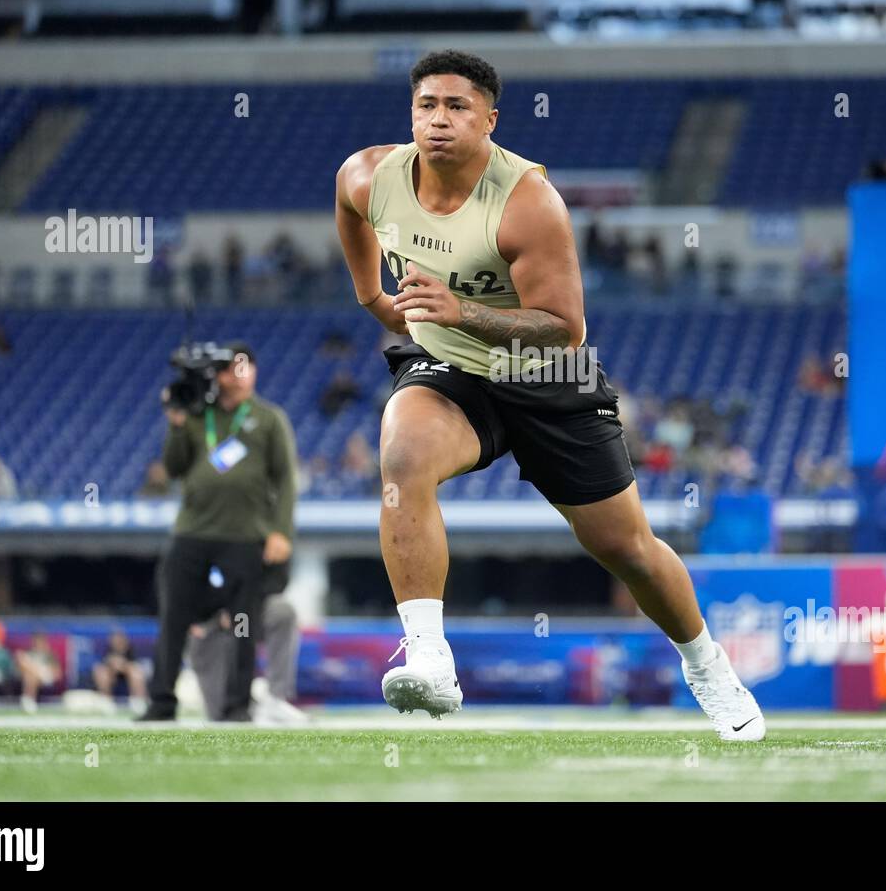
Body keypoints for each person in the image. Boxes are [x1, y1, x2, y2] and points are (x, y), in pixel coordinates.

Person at [333, 49, 764, 741]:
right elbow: (349, 211)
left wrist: (461, 310)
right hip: (449, 369)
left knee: (626, 549)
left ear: (490, 120)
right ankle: (429, 656)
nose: (438, 120)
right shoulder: (371, 175)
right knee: (403, 454)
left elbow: (563, 330)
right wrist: (371, 296)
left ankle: (707, 665)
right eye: (426, 106)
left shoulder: (529, 202)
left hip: (545, 375)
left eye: (457, 108)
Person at [140, 341, 298, 722]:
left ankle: (237, 706)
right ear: (217, 375)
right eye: (230, 368)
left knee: (242, 622)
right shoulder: (197, 415)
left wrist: (280, 531)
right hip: (193, 532)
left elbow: (286, 479)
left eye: (245, 367)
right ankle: (161, 702)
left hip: (245, 536)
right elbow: (174, 467)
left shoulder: (268, 418)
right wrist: (177, 424)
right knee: (173, 616)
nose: (238, 375)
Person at [185, 564, 304, 724]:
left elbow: (276, 579)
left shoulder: (254, 546)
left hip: (244, 615)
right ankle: (247, 704)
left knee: (277, 614)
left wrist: (240, 605)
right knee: (221, 713)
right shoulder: (198, 549)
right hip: (211, 622)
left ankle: (275, 698)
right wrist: (216, 611)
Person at [92, 629, 147, 712]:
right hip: (111, 676)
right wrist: (114, 666)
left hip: (127, 676)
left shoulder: (131, 651)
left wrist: (123, 666)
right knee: (102, 673)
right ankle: (106, 702)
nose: (118, 642)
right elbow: (101, 665)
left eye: (120, 639)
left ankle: (139, 702)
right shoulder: (106, 651)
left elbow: (135, 666)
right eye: (115, 639)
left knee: (135, 673)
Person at [15, 634, 62, 714]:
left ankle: (28, 700)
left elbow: (58, 673)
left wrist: (44, 672)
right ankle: (29, 701)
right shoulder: (29, 653)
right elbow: (20, 669)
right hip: (32, 675)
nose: (38, 644)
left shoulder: (49, 655)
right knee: (30, 675)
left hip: (46, 676)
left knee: (29, 671)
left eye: (40, 642)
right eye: (36, 642)